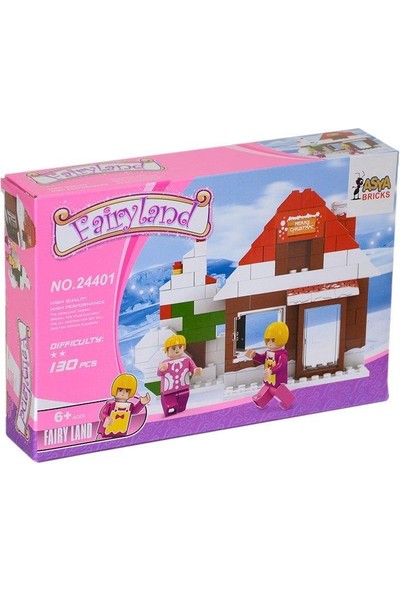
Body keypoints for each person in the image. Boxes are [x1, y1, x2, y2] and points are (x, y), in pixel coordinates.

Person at [246, 321, 295, 410]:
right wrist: (254, 355)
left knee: (276, 390)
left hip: (276, 379)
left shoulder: (282, 355)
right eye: (267, 340)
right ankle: (260, 401)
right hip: (269, 379)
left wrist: (271, 370)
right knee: (269, 389)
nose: (269, 343)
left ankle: (288, 400)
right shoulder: (268, 353)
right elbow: (263, 360)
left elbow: (281, 365)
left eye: (273, 340)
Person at [158, 335, 202, 417]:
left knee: (182, 408)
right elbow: (159, 374)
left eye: (180, 347)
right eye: (173, 348)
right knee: (170, 407)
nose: (177, 350)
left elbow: (193, 368)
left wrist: (196, 371)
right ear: (167, 351)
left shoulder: (187, 360)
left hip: (183, 389)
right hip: (168, 392)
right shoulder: (165, 363)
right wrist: (161, 369)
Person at [97, 373, 150, 439]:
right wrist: (106, 418)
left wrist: (141, 403)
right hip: (105, 433)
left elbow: (135, 411)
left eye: (127, 391)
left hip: (120, 432)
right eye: (120, 390)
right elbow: (102, 413)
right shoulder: (110, 404)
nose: (123, 393)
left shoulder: (129, 406)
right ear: (115, 389)